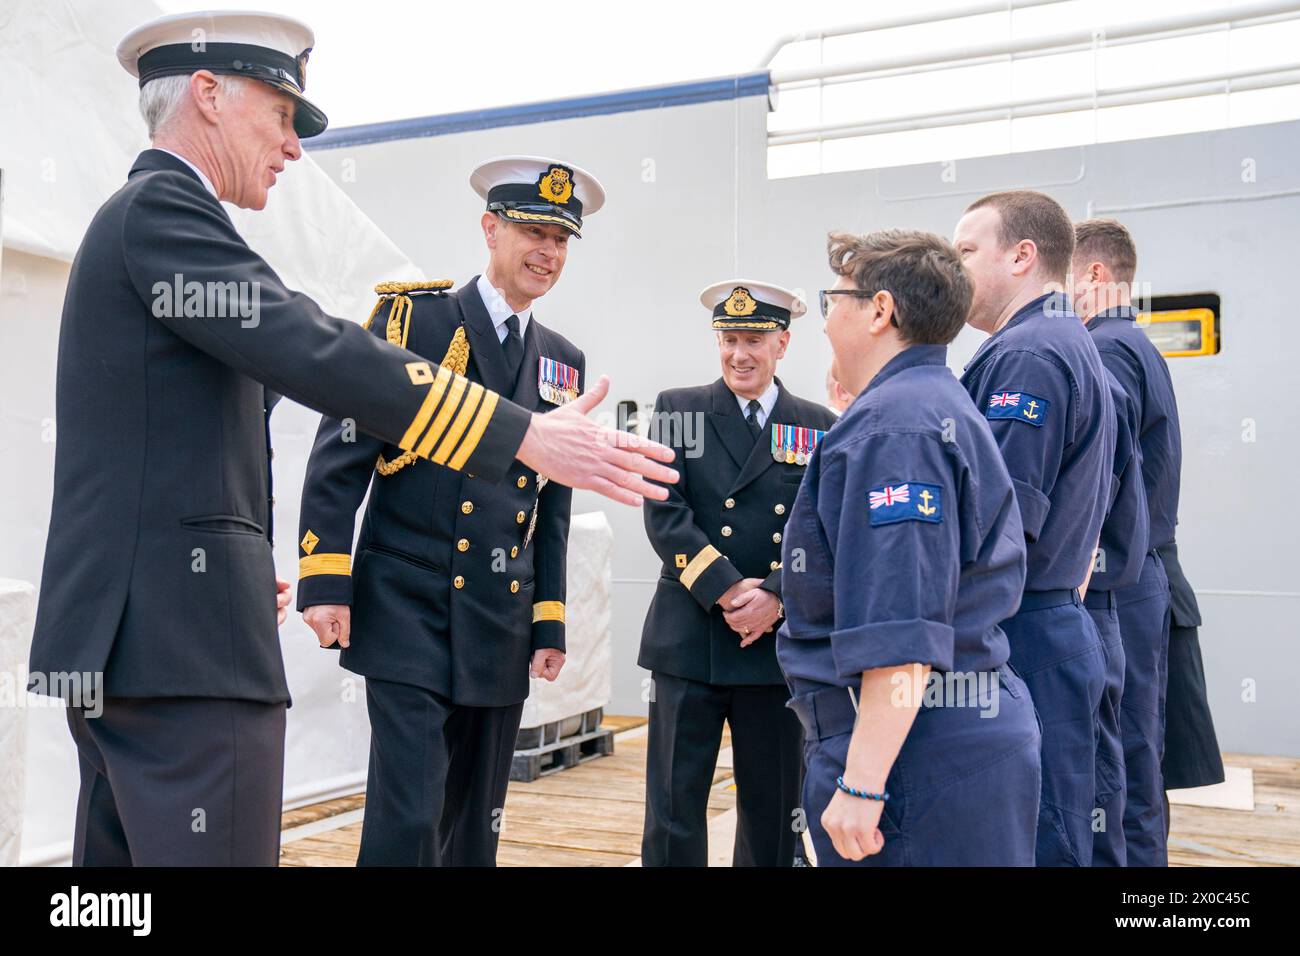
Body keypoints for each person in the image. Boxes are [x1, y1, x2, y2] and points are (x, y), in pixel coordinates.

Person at [27, 10, 675, 867]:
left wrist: (245, 554)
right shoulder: (161, 214)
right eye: (283, 114)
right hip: (179, 651)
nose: (294, 147)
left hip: (142, 642)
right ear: (209, 95)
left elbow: (196, 432)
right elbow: (312, 348)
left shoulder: (158, 220)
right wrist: (519, 434)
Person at [297, 155, 602, 865]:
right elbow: (343, 449)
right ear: (490, 228)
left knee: (477, 822)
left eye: (561, 241)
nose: (548, 253)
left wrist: (548, 616)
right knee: (408, 812)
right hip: (408, 603)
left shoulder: (562, 360)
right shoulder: (416, 319)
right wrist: (324, 579)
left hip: (500, 615)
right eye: (533, 232)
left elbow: (553, 502)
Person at [777, 229, 1040, 866]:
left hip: (914, 752)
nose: (825, 318)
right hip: (939, 736)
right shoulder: (922, 406)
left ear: (879, 310)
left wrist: (863, 784)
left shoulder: (896, 430)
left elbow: (905, 623)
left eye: (834, 298)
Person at [638, 281, 837, 866]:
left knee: (775, 812)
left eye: (754, 339)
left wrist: (774, 596)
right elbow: (665, 514)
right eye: (729, 339)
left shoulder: (818, 423)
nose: (739, 354)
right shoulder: (680, 409)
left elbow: (824, 528)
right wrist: (727, 590)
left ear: (783, 344)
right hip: (690, 638)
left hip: (774, 647)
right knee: (674, 810)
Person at [954, 190, 1114, 866]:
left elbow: (999, 528)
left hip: (1021, 635)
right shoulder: (1056, 343)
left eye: (966, 251)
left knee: (1035, 836)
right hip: (1046, 625)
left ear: (1022, 256)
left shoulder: (1029, 357)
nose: (952, 266)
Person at [1072, 217, 1221, 863]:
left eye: (1065, 280)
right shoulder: (1137, 346)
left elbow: (1097, 476)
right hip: (1145, 578)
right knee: (1135, 768)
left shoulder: (1106, 351)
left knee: (1122, 771)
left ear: (1097, 275)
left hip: (1122, 584)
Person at [1084, 370, 1150, 865]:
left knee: (1097, 789)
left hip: (1082, 609)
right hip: (1094, 609)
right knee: (1114, 780)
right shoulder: (1105, 378)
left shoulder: (1094, 377)